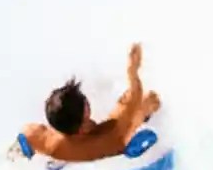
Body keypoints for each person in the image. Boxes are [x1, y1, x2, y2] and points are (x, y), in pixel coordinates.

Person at [13, 43, 161, 163]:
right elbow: (136, 94)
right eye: (87, 109)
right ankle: (141, 124)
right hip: (114, 146)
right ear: (81, 129)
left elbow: (24, 138)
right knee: (149, 100)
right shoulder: (107, 137)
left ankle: (58, 164)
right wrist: (132, 71)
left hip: (63, 153)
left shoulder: (43, 138)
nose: (88, 104)